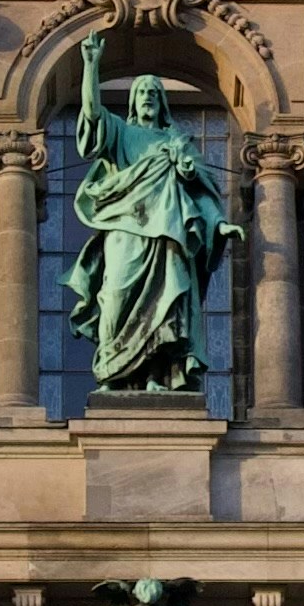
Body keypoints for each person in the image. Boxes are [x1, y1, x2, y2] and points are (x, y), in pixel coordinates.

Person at [64, 45, 228, 395]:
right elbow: (92, 115)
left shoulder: (176, 142)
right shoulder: (122, 133)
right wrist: (91, 66)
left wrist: (218, 224)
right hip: (126, 230)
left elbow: (202, 190)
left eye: (155, 92)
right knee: (116, 293)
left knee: (165, 304)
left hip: (168, 237)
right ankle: (112, 372)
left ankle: (157, 376)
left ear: (162, 102)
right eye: (142, 92)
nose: (148, 97)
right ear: (133, 101)